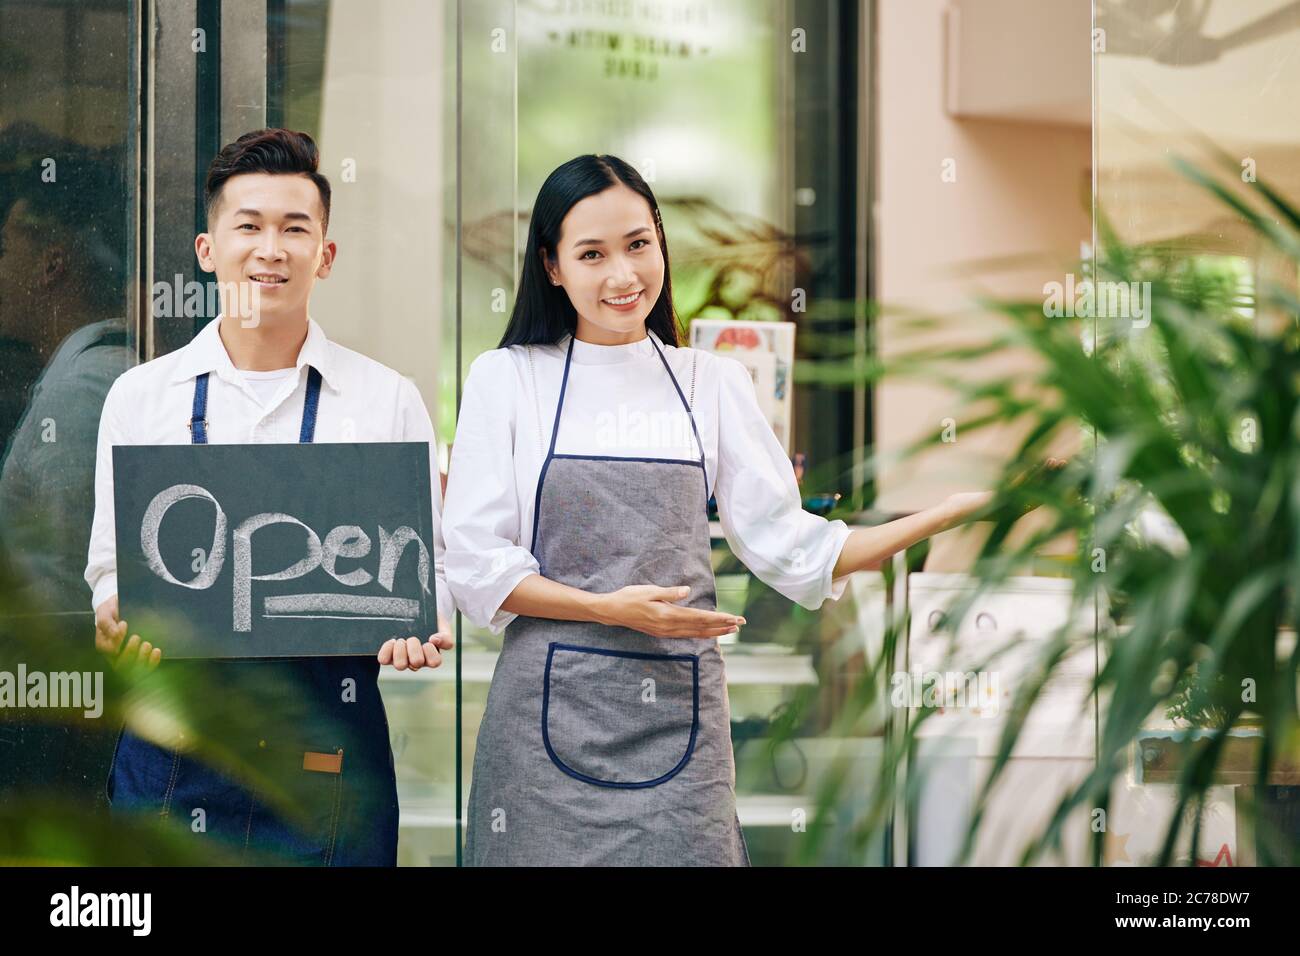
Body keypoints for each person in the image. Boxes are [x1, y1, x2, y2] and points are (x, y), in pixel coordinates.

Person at [442, 154, 1005, 866]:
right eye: (592, 253)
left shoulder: (711, 383)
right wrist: (613, 610)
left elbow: (800, 550)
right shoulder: (510, 378)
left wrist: (946, 513)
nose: (623, 275)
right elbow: (475, 566)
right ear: (553, 267)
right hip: (540, 728)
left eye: (639, 244)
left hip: (680, 722)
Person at [84, 128, 453, 865]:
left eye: (295, 229)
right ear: (206, 249)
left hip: (331, 756)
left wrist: (427, 622)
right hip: (173, 748)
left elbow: (431, 568)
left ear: (326, 254)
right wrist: (114, 612)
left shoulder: (387, 400)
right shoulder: (141, 397)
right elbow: (108, 567)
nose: (270, 248)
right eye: (247, 226)